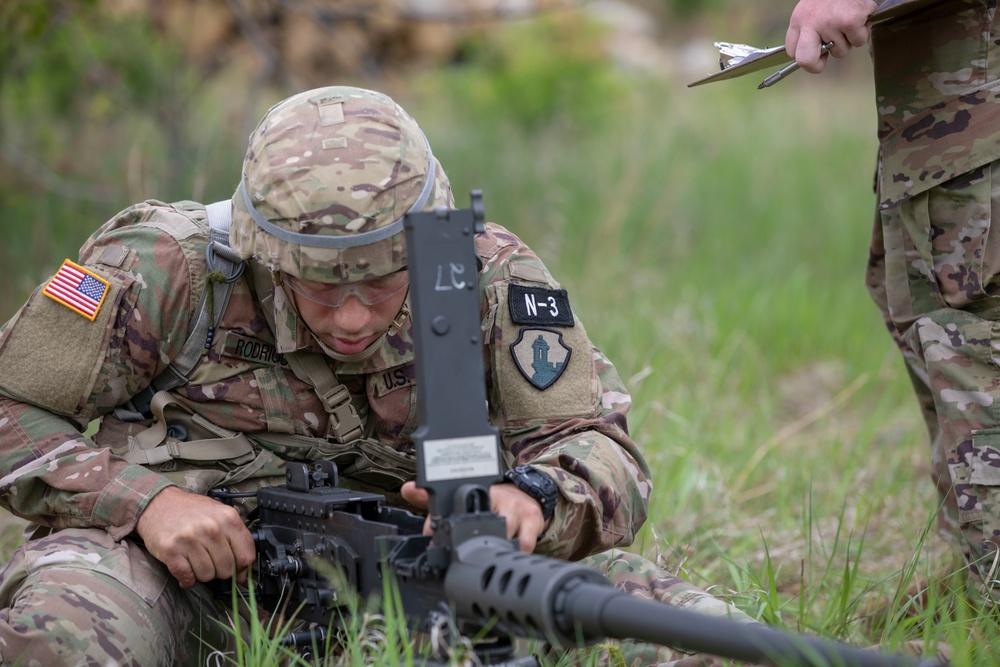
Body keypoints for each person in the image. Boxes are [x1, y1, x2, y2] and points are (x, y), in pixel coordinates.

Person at [0, 86, 751, 666]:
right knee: (62, 635)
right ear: (269, 253)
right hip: (176, 572)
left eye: (384, 284)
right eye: (323, 288)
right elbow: (12, 404)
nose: (353, 317)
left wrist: (534, 497)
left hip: (431, 578)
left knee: (701, 633)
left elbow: (598, 444)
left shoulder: (483, 278)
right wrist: (146, 501)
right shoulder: (165, 266)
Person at [784, 0, 1000, 602]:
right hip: (938, 135)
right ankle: (978, 592)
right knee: (942, 345)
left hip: (979, 132)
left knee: (980, 348)